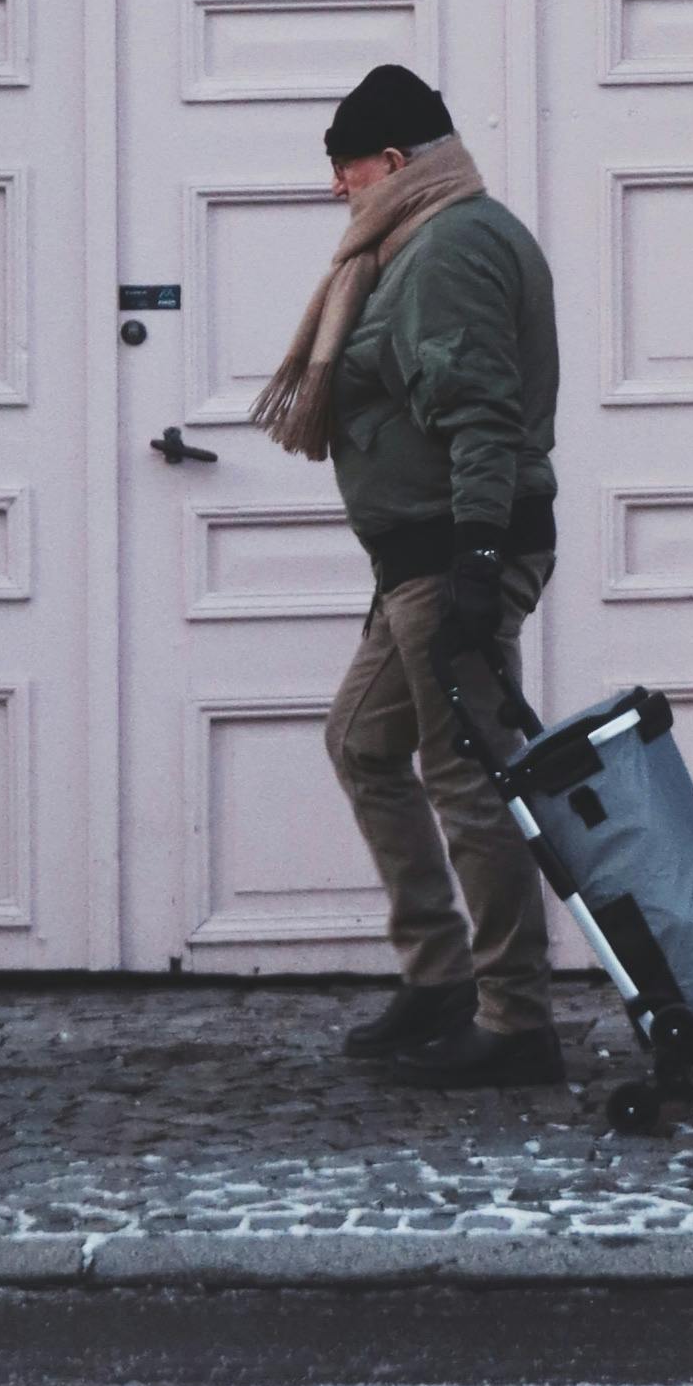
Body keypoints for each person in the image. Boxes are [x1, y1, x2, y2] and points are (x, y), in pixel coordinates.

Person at [255, 61, 569, 1087]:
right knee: (362, 742)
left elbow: (480, 414)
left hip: (453, 554)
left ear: (392, 163)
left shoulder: (450, 249)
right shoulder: (414, 245)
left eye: (345, 168)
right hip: (416, 560)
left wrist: (474, 562)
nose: (335, 189)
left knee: (464, 779)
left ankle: (514, 1019)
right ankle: (439, 977)